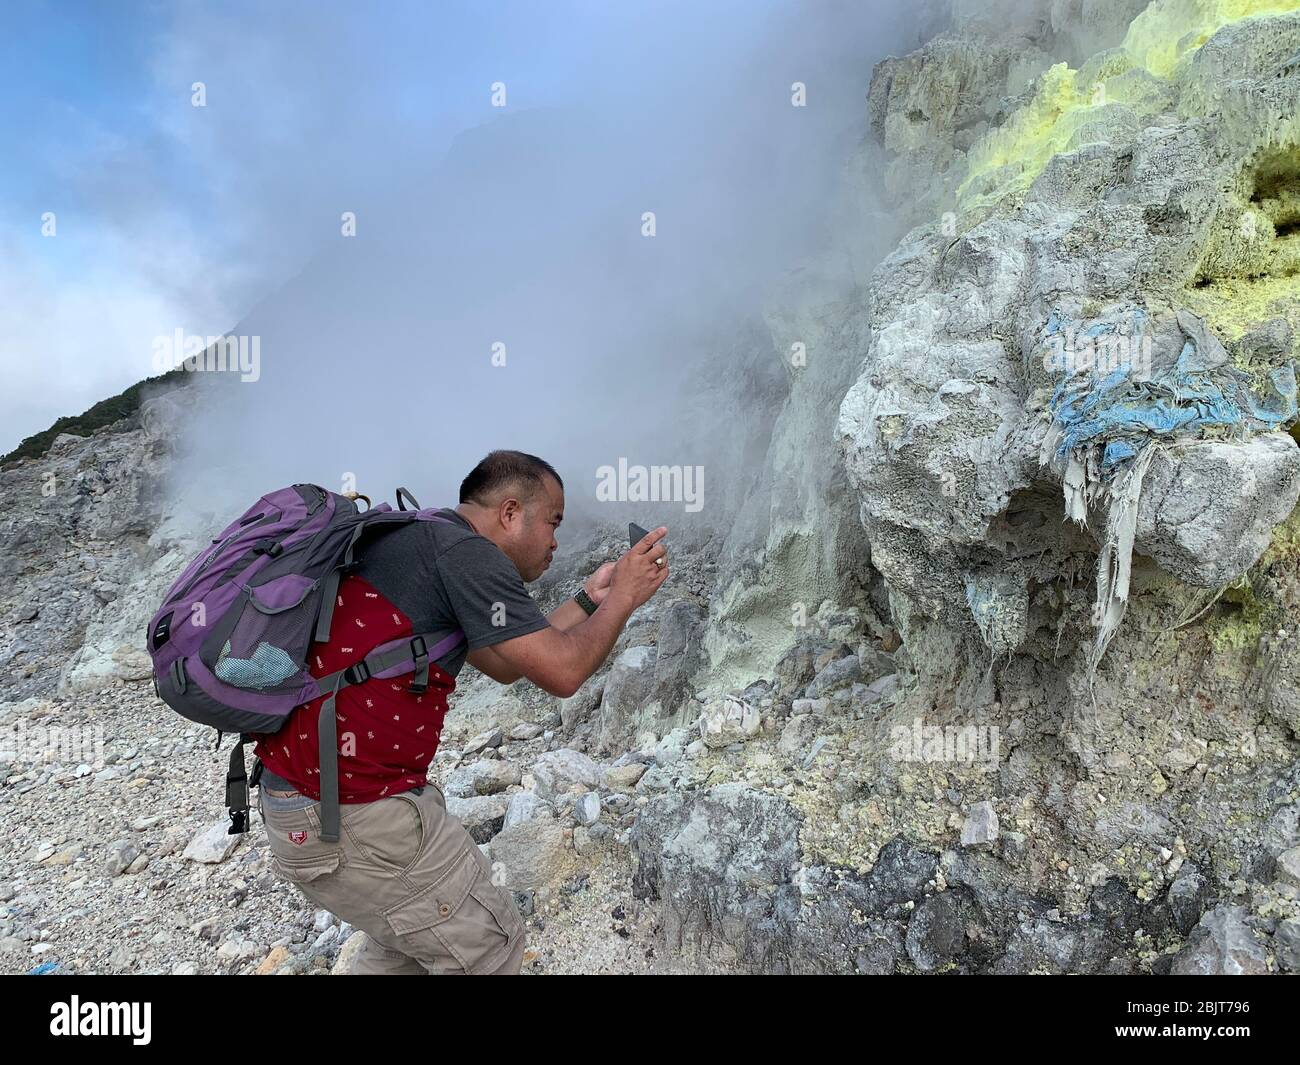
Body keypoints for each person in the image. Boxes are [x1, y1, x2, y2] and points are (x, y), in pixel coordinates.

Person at [253, 449, 669, 974]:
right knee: (488, 945)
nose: (555, 541)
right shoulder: (467, 556)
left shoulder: (422, 538)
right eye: (552, 522)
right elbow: (564, 673)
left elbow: (505, 663)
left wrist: (591, 599)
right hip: (355, 814)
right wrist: (624, 599)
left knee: (409, 944)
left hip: (300, 804)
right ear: (510, 512)